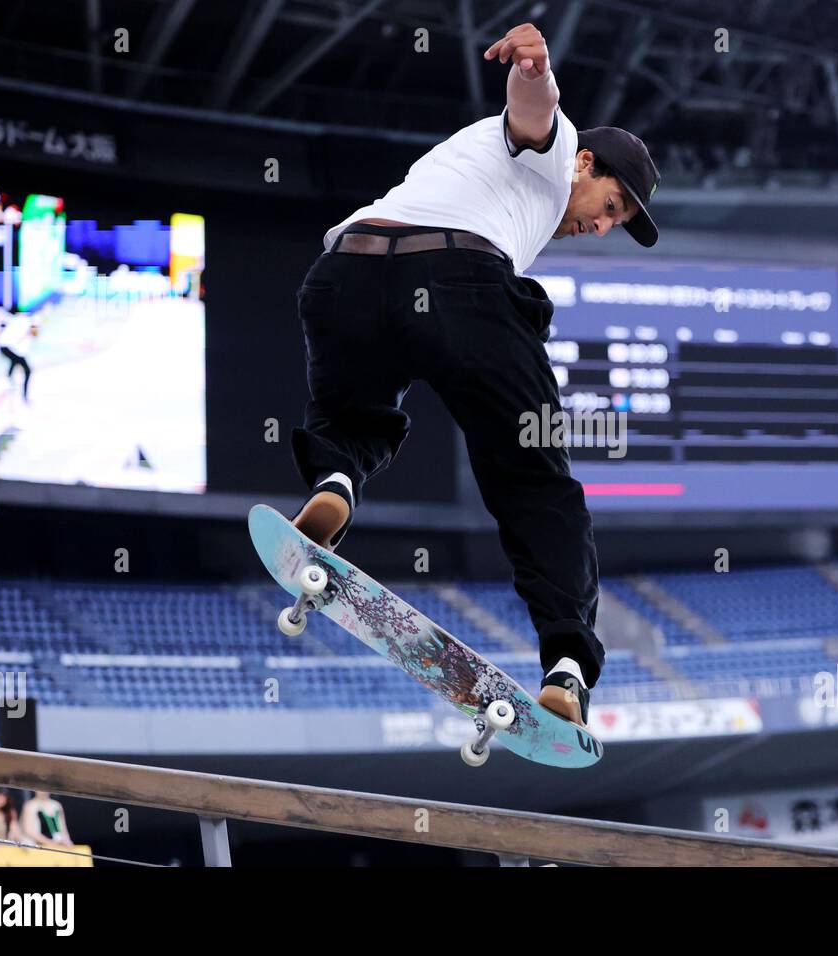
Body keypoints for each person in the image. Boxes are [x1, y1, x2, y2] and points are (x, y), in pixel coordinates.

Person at [287, 22, 660, 728]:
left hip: (345, 273)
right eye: (611, 207)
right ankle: (568, 668)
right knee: (537, 481)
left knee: (352, 407)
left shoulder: (473, 169)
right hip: (459, 279)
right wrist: (534, 65)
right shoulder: (555, 160)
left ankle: (335, 481)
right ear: (586, 165)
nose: (601, 227)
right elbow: (534, 112)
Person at [0, 305, 35, 401]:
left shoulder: (17, 320)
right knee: (27, 369)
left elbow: (4, 316)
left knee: (16, 362)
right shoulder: (24, 320)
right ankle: (21, 393)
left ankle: (11, 381)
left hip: (9, 348)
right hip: (9, 348)